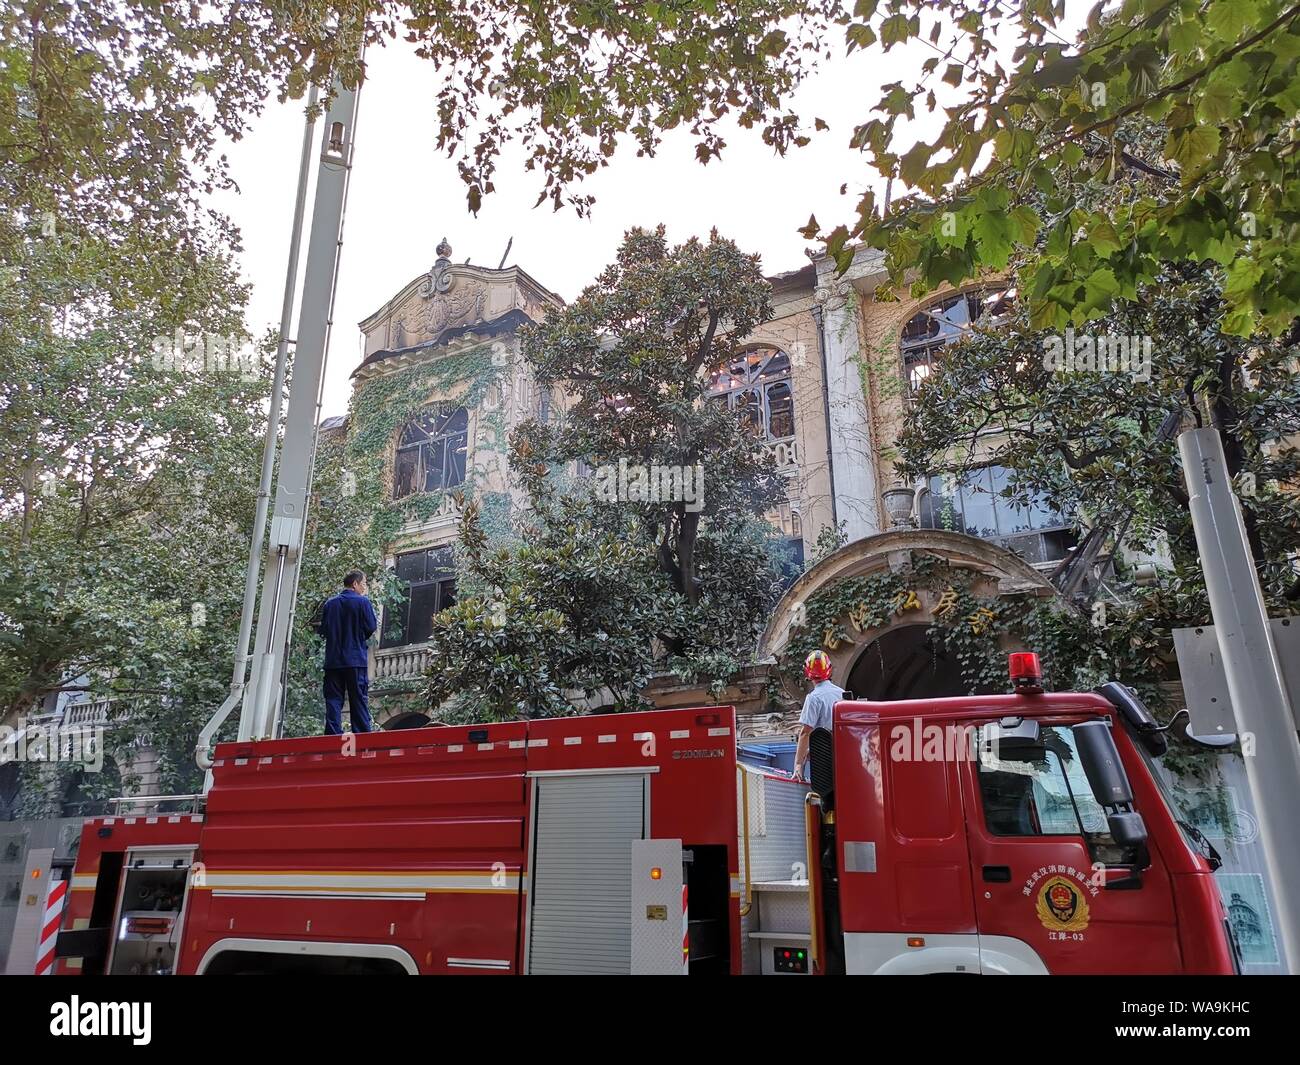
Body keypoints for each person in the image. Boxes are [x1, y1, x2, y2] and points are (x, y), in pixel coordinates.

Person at [316, 569, 378, 735]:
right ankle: (362, 733)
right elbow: (371, 627)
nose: (364, 588)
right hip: (355, 659)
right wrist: (358, 636)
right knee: (357, 697)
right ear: (355, 584)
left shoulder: (330, 604)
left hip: (333, 660)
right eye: (363, 584)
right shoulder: (363, 603)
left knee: (333, 698)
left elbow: (324, 630)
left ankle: (333, 733)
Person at [791, 649, 844, 781]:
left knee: (826, 798)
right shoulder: (843, 694)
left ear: (807, 671)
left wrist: (798, 765)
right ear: (829, 669)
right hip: (846, 757)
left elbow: (805, 733)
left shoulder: (813, 698)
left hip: (825, 762)